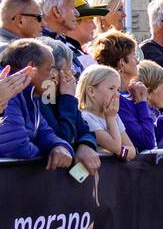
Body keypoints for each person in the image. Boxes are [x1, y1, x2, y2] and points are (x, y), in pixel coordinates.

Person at [0, 39, 99, 176]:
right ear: (31, 67)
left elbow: (46, 132)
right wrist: (50, 154)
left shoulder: (31, 93)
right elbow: (16, 146)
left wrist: (72, 146)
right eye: (50, 69)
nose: (51, 75)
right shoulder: (8, 90)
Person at [34, 38, 97, 154]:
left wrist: (86, 145)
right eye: (68, 68)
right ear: (53, 72)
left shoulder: (62, 96)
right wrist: (67, 98)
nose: (73, 74)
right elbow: (64, 139)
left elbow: (86, 131)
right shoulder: (40, 100)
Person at [76, 65, 135, 162]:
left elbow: (131, 150)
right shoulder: (86, 117)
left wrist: (121, 153)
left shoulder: (113, 115)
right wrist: (110, 118)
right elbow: (115, 146)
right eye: (111, 88)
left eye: (118, 89)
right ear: (91, 91)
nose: (117, 94)